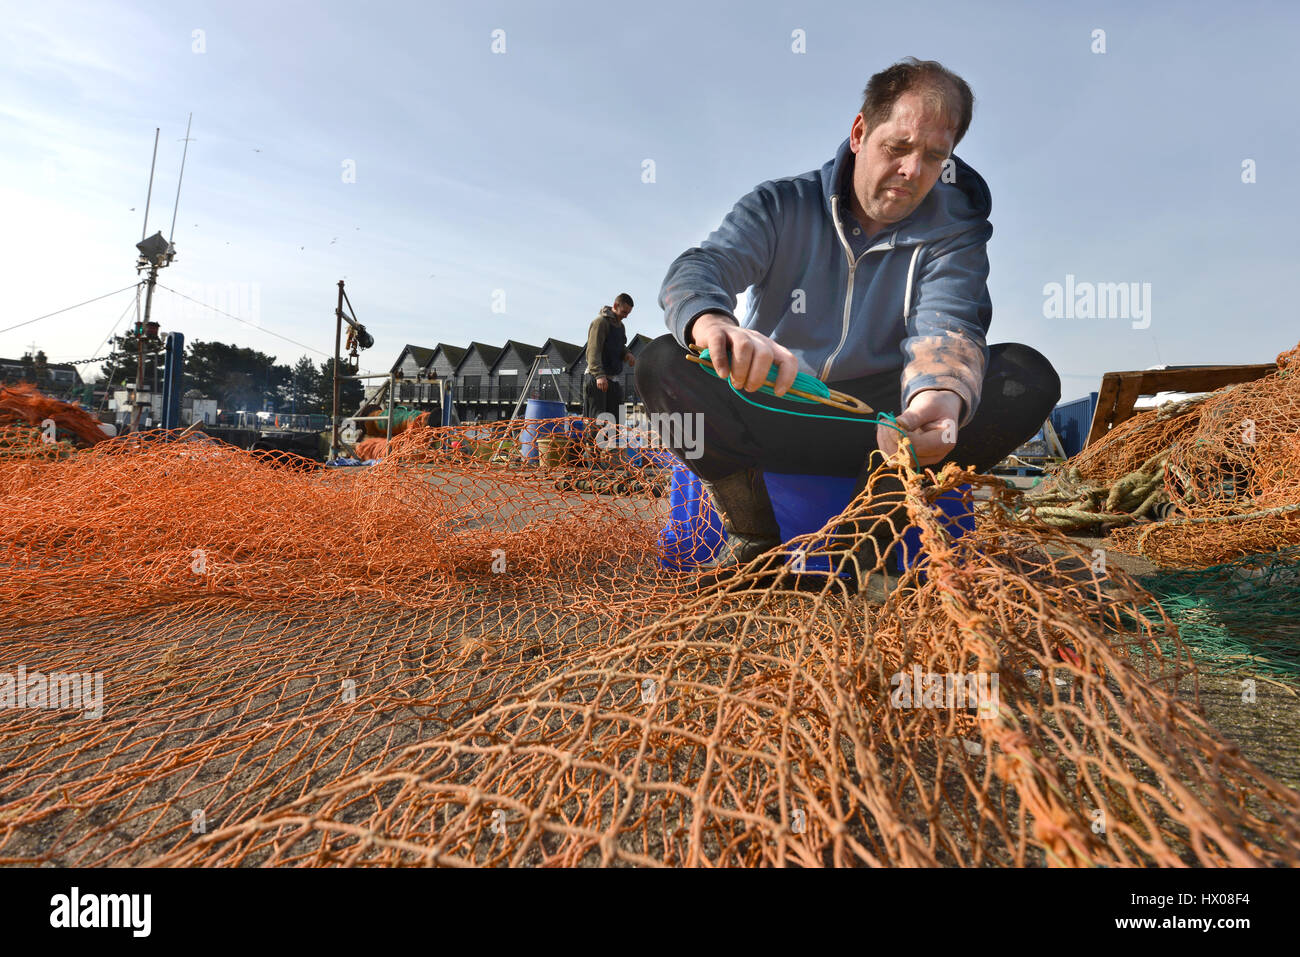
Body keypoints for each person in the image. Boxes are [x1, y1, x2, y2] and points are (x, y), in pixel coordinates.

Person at [636, 57, 1061, 592]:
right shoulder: (780, 204)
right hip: (773, 404)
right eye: (898, 147)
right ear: (860, 132)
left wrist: (939, 400)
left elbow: (948, 325)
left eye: (934, 156)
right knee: (661, 361)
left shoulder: (957, 233)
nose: (912, 171)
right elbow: (700, 267)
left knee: (1026, 375)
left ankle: (861, 545)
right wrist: (715, 322)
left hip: (879, 431)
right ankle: (755, 540)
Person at [582, 293, 637, 422]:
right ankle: (592, 443)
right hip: (597, 378)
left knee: (617, 419)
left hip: (612, 379)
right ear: (615, 305)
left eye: (628, 313)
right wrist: (599, 375)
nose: (626, 316)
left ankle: (612, 442)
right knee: (597, 421)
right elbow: (593, 349)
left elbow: (620, 345)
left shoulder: (620, 327)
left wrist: (627, 353)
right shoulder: (600, 322)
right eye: (624, 312)